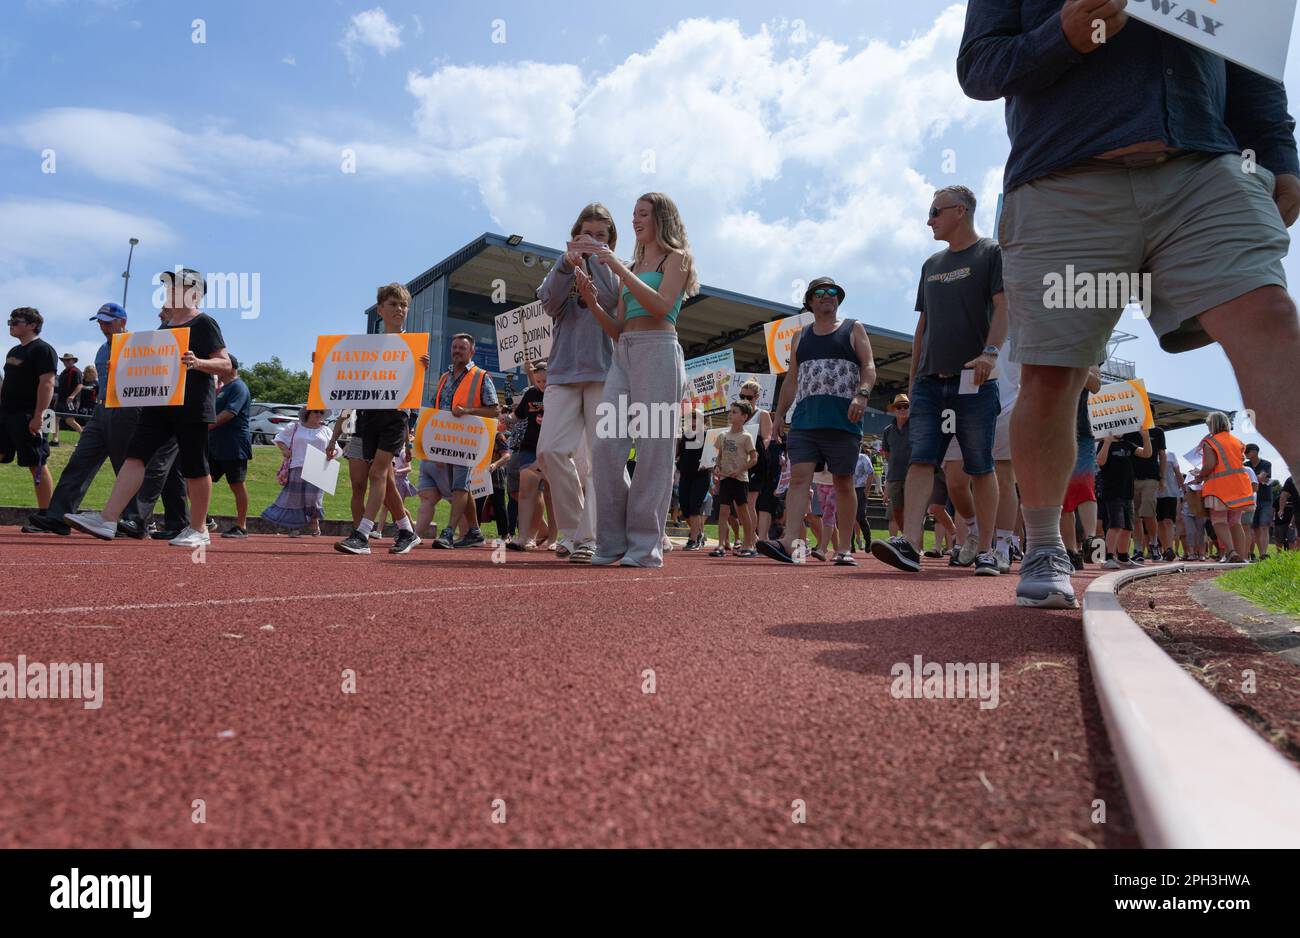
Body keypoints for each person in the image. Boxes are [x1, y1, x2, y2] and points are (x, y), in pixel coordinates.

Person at [960, 2, 1300, 607]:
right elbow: (980, 67)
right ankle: (1044, 545)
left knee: (1271, 323)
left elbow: (1250, 58)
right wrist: (1064, 34)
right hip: (1063, 179)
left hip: (1206, 169)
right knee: (1051, 374)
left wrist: (1280, 155)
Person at [872, 185, 1004, 577]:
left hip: (973, 380)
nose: (928, 220)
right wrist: (913, 380)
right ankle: (910, 544)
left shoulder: (991, 253)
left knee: (980, 466)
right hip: (930, 382)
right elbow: (922, 326)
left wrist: (990, 353)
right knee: (922, 459)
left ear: (960, 211)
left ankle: (986, 549)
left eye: (935, 212)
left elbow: (1005, 307)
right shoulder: (930, 264)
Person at [574, 192, 695, 568]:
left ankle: (644, 547)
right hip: (624, 353)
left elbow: (661, 305)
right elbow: (617, 327)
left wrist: (618, 269)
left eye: (642, 213)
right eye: (633, 214)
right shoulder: (632, 264)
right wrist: (593, 302)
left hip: (658, 351)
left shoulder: (677, 258)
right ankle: (612, 542)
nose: (634, 220)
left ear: (662, 217)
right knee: (605, 449)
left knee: (653, 452)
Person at [65, 269, 228, 547]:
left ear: (195, 293)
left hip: (192, 406)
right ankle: (108, 519)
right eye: (169, 286)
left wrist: (198, 362)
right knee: (135, 457)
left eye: (178, 286)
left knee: (195, 466)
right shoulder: (164, 328)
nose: (170, 290)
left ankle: (199, 528)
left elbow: (225, 364)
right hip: (159, 404)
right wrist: (125, 369)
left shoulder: (204, 323)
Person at [22, 302, 186, 539]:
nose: (103, 326)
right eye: (100, 321)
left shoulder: (139, 346)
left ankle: (132, 520)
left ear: (122, 322)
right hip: (101, 410)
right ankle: (57, 516)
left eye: (108, 322)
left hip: (128, 409)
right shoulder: (101, 350)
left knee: (126, 465)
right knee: (80, 460)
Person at [758, 277, 876, 566]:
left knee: (843, 482)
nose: (827, 296)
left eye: (832, 292)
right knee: (799, 478)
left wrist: (862, 395)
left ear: (838, 298)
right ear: (810, 301)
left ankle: (844, 549)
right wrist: (779, 415)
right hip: (805, 421)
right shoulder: (800, 336)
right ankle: (790, 542)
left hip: (843, 420)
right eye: (820, 292)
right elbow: (791, 379)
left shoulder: (853, 328)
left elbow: (869, 366)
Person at [535, 203, 620, 564]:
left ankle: (589, 537)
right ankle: (573, 531)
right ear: (575, 235)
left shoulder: (617, 268)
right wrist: (566, 264)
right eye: (587, 234)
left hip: (604, 372)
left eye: (601, 236)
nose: (593, 241)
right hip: (563, 372)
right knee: (549, 451)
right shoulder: (561, 264)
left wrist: (597, 260)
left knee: (602, 457)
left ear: (610, 241)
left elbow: (613, 301)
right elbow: (549, 303)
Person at [334, 284, 429, 556]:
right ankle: (407, 531)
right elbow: (349, 375)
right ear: (380, 310)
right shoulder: (366, 347)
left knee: (377, 473)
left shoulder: (414, 347)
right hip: (368, 415)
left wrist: (421, 367)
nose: (399, 309)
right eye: (393, 304)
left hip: (395, 417)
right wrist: (325, 363)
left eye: (403, 305)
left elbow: (413, 385)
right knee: (385, 479)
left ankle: (362, 534)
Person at [421, 332, 499, 550]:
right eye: (454, 347)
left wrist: (468, 411)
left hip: (469, 441)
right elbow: (436, 408)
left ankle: (449, 531)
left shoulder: (481, 376)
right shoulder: (444, 377)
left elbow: (494, 410)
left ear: (472, 351)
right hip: (446, 441)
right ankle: (474, 532)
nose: (457, 351)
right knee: (462, 488)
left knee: (459, 486)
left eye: (462, 348)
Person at [1, 307, 56, 509]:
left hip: (28, 415)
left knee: (36, 464)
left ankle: (46, 514)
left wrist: (39, 416)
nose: (11, 325)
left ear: (33, 325)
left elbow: (47, 384)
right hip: (6, 414)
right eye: (10, 321)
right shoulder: (13, 351)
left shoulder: (43, 350)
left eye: (16, 322)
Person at [262, 407, 332, 536]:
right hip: (297, 465)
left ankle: (314, 520)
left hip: (318, 467)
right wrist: (284, 450)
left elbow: (335, 448)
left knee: (314, 498)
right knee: (295, 498)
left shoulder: (327, 430)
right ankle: (295, 526)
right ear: (308, 413)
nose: (319, 414)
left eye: (321, 412)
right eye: (316, 411)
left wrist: (332, 453)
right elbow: (279, 439)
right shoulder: (294, 427)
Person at [506, 361, 552, 551]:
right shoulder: (531, 393)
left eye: (545, 381)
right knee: (525, 490)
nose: (541, 384)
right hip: (529, 447)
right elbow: (518, 414)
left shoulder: (557, 394)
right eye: (538, 381)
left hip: (549, 448)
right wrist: (506, 418)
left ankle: (546, 536)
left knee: (546, 493)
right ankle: (523, 537)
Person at [1062, 366, 1104, 570]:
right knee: (1062, 496)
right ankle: (1070, 551)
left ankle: (1091, 540)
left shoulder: (1088, 356)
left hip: (1081, 431)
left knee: (1085, 485)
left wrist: (1075, 362)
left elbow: (1095, 385)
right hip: (1052, 430)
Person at [208, 354, 253, 538]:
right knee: (198, 479)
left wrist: (206, 425)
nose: (215, 369)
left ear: (230, 367)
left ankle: (241, 526)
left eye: (219, 365)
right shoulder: (221, 389)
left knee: (236, 484)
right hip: (215, 444)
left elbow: (229, 413)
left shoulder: (238, 387)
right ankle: (205, 519)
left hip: (234, 444)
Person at [709, 400, 758, 558]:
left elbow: (754, 458)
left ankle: (749, 544)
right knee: (723, 511)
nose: (730, 414)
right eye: (730, 411)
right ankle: (721, 545)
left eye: (735, 412)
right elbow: (719, 456)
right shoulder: (723, 435)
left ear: (744, 417)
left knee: (743, 511)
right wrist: (717, 467)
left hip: (740, 480)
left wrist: (740, 470)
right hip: (725, 479)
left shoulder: (746, 437)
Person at [1096, 430, 1151, 569]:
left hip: (1128, 492)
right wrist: (1107, 442)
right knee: (1116, 525)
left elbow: (1146, 454)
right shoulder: (1104, 443)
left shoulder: (1127, 444)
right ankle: (1108, 558)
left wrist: (1145, 437)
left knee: (1127, 527)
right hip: (1113, 492)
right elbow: (1100, 461)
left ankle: (1123, 557)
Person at [325, 409, 375, 536]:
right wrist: (333, 440)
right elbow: (345, 413)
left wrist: (407, 444)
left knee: (387, 492)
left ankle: (406, 528)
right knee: (358, 487)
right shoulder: (355, 397)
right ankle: (359, 532)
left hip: (383, 441)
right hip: (359, 439)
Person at [737, 380, 775, 542]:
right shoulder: (737, 413)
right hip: (738, 461)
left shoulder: (762, 414)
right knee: (738, 503)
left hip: (755, 462)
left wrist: (754, 452)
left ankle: (750, 540)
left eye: (749, 397)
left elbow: (767, 437)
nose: (745, 399)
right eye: (742, 396)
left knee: (749, 501)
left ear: (757, 397)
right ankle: (752, 536)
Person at [880, 394, 911, 537]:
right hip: (894, 477)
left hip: (912, 477)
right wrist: (887, 482)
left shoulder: (916, 427)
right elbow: (887, 455)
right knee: (896, 511)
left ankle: (915, 544)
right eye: (899, 407)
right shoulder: (887, 431)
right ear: (894, 409)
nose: (902, 409)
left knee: (913, 513)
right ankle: (906, 538)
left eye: (906, 406)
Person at [1244, 444, 1274, 560]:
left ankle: (1263, 554)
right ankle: (1258, 554)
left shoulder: (1266, 464)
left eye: (1248, 451)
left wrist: (1252, 479)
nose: (1245, 453)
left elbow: (1260, 478)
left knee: (1264, 526)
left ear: (1255, 451)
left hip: (1265, 499)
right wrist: (1259, 479)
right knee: (1255, 528)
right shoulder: (1245, 465)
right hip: (1251, 499)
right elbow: (1259, 479)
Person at [52, 352, 84, 440]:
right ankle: (55, 440)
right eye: (64, 360)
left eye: (68, 360)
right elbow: (61, 388)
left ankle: (84, 436)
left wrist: (72, 396)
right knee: (55, 419)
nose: (66, 362)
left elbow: (80, 385)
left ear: (73, 361)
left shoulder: (76, 371)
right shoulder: (63, 373)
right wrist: (57, 400)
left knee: (70, 421)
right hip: (61, 400)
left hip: (71, 401)